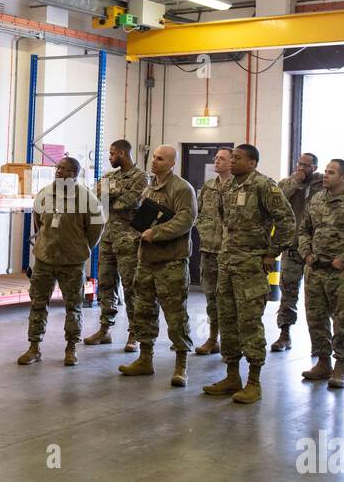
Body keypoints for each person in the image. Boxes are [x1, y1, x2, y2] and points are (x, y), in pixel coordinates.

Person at [202, 144, 294, 404]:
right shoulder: (228, 187)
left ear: (252, 162)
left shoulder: (265, 186)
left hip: (251, 267)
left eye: (238, 158)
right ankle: (232, 376)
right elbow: (223, 220)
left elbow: (286, 221)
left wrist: (271, 253)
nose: (232, 162)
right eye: (231, 158)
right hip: (226, 264)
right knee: (228, 321)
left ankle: (254, 382)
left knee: (250, 323)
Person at [120, 145, 197, 387]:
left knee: (175, 315)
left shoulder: (182, 188)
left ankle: (181, 365)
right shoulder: (150, 186)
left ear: (172, 163)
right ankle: (145, 359)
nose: (154, 161)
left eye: (160, 159)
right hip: (146, 259)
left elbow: (186, 220)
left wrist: (158, 232)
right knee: (144, 310)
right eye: (153, 157)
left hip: (171, 261)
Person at [17, 158, 104, 366]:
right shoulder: (45, 193)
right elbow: (38, 223)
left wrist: (78, 246)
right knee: (38, 304)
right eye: (58, 168)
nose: (59, 171)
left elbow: (96, 229)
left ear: (74, 173)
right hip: (45, 259)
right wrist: (47, 242)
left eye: (65, 169)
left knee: (73, 307)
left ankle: (71, 348)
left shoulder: (87, 198)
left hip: (72, 262)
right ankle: (34, 347)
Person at [298, 158, 344, 389]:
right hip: (315, 269)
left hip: (342, 272)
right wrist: (306, 252)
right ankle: (322, 361)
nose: (326, 175)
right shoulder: (316, 199)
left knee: (342, 320)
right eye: (325, 171)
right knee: (315, 318)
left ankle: (341, 366)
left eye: (332, 172)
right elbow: (304, 229)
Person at [84, 139, 147, 352]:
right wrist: (111, 195)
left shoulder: (141, 177)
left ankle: (134, 333)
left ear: (122, 153)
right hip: (108, 238)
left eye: (112, 154)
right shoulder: (110, 175)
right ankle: (105, 329)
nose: (109, 157)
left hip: (129, 240)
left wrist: (109, 196)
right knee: (106, 285)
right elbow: (95, 199)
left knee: (131, 287)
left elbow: (131, 202)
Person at [273, 152, 324, 351]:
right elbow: (278, 201)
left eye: (306, 165)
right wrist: (295, 182)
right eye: (299, 164)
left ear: (315, 168)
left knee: (317, 298)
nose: (301, 168)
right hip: (292, 247)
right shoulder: (288, 183)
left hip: (315, 249)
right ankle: (284, 334)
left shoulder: (322, 185)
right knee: (288, 293)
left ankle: (320, 344)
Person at [194, 147, 233, 355]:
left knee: (229, 299)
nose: (217, 161)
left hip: (231, 253)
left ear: (232, 162)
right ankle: (213, 338)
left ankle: (230, 342)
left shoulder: (238, 187)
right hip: (209, 249)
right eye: (216, 158)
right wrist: (204, 231)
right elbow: (199, 214)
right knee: (211, 297)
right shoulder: (208, 187)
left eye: (222, 159)